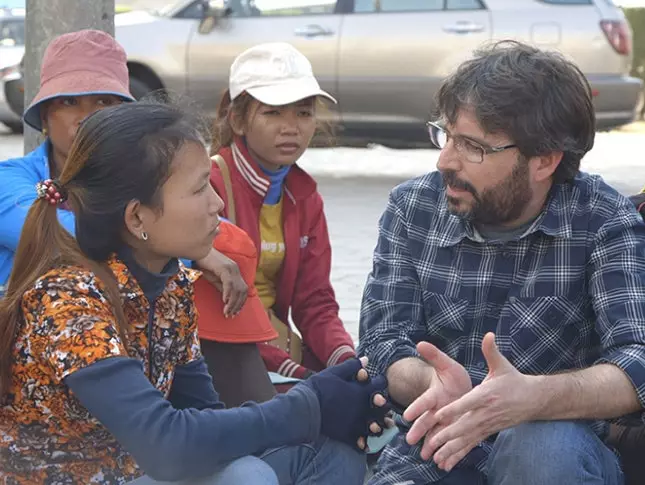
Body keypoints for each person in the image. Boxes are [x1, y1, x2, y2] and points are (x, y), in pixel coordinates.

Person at [0, 101, 390, 485]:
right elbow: (167, 447)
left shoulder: (170, 287)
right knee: (247, 477)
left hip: (140, 472)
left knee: (330, 453)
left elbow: (205, 417)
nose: (218, 204)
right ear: (138, 217)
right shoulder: (70, 301)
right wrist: (310, 405)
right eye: (200, 188)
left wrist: (340, 400)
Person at [358, 40, 645, 485]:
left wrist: (532, 398)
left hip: (557, 454)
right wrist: (434, 383)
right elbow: (382, 341)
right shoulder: (412, 208)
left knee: (539, 448)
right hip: (436, 447)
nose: (445, 161)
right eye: (447, 134)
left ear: (544, 161)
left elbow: (637, 359)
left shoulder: (603, 220)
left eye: (472, 146)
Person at [0, 30, 248, 319]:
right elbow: (67, 235)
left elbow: (219, 230)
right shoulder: (9, 179)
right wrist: (196, 252)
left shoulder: (150, 178)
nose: (87, 116)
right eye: (69, 102)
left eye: (104, 102)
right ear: (44, 116)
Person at [210, 42, 356, 380]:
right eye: (273, 112)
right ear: (238, 120)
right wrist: (300, 374)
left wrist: (345, 359)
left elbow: (315, 301)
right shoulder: (211, 187)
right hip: (228, 355)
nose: (291, 127)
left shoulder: (304, 196)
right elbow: (222, 308)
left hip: (276, 350)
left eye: (303, 112)